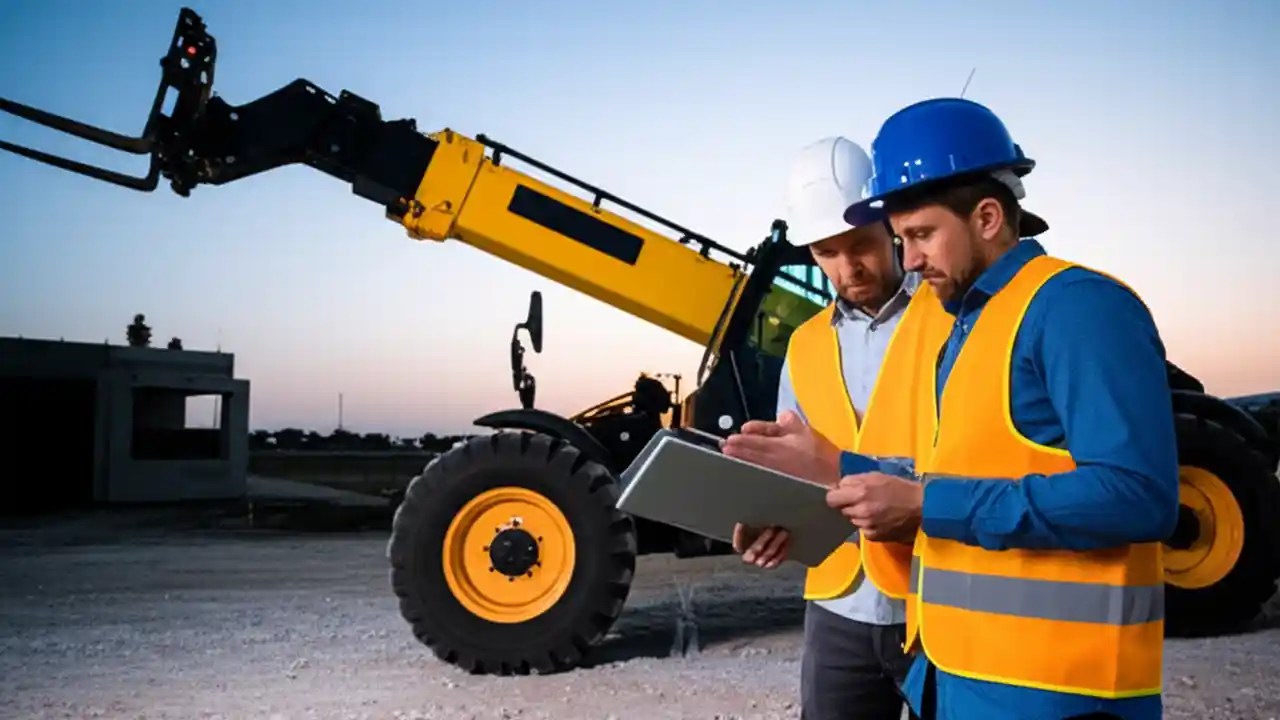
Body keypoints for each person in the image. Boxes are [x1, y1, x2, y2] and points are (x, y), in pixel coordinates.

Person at [831, 97, 1180, 720]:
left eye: (921, 235)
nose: (908, 260)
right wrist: (831, 467)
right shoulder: (960, 322)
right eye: (901, 239)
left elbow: (1137, 495)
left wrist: (924, 504)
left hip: (1063, 695)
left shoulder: (1077, 308)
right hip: (957, 680)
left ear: (988, 216)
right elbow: (965, 469)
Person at [720, 135, 926, 720]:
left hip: (932, 588)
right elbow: (794, 464)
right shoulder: (805, 343)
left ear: (889, 226)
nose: (846, 267)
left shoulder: (945, 319)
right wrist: (764, 522)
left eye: (858, 244)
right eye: (825, 252)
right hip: (839, 601)